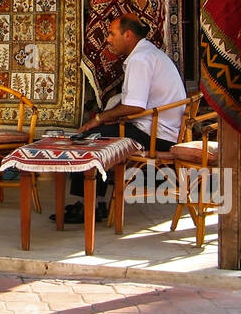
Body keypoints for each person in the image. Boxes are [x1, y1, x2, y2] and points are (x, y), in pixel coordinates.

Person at [55, 13, 187, 223]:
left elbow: (135, 106)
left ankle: (86, 205)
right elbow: (133, 101)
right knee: (99, 134)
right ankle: (95, 202)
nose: (107, 39)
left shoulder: (140, 59)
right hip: (160, 129)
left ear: (128, 35)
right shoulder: (148, 54)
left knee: (88, 139)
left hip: (156, 134)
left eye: (111, 34)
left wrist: (100, 118)